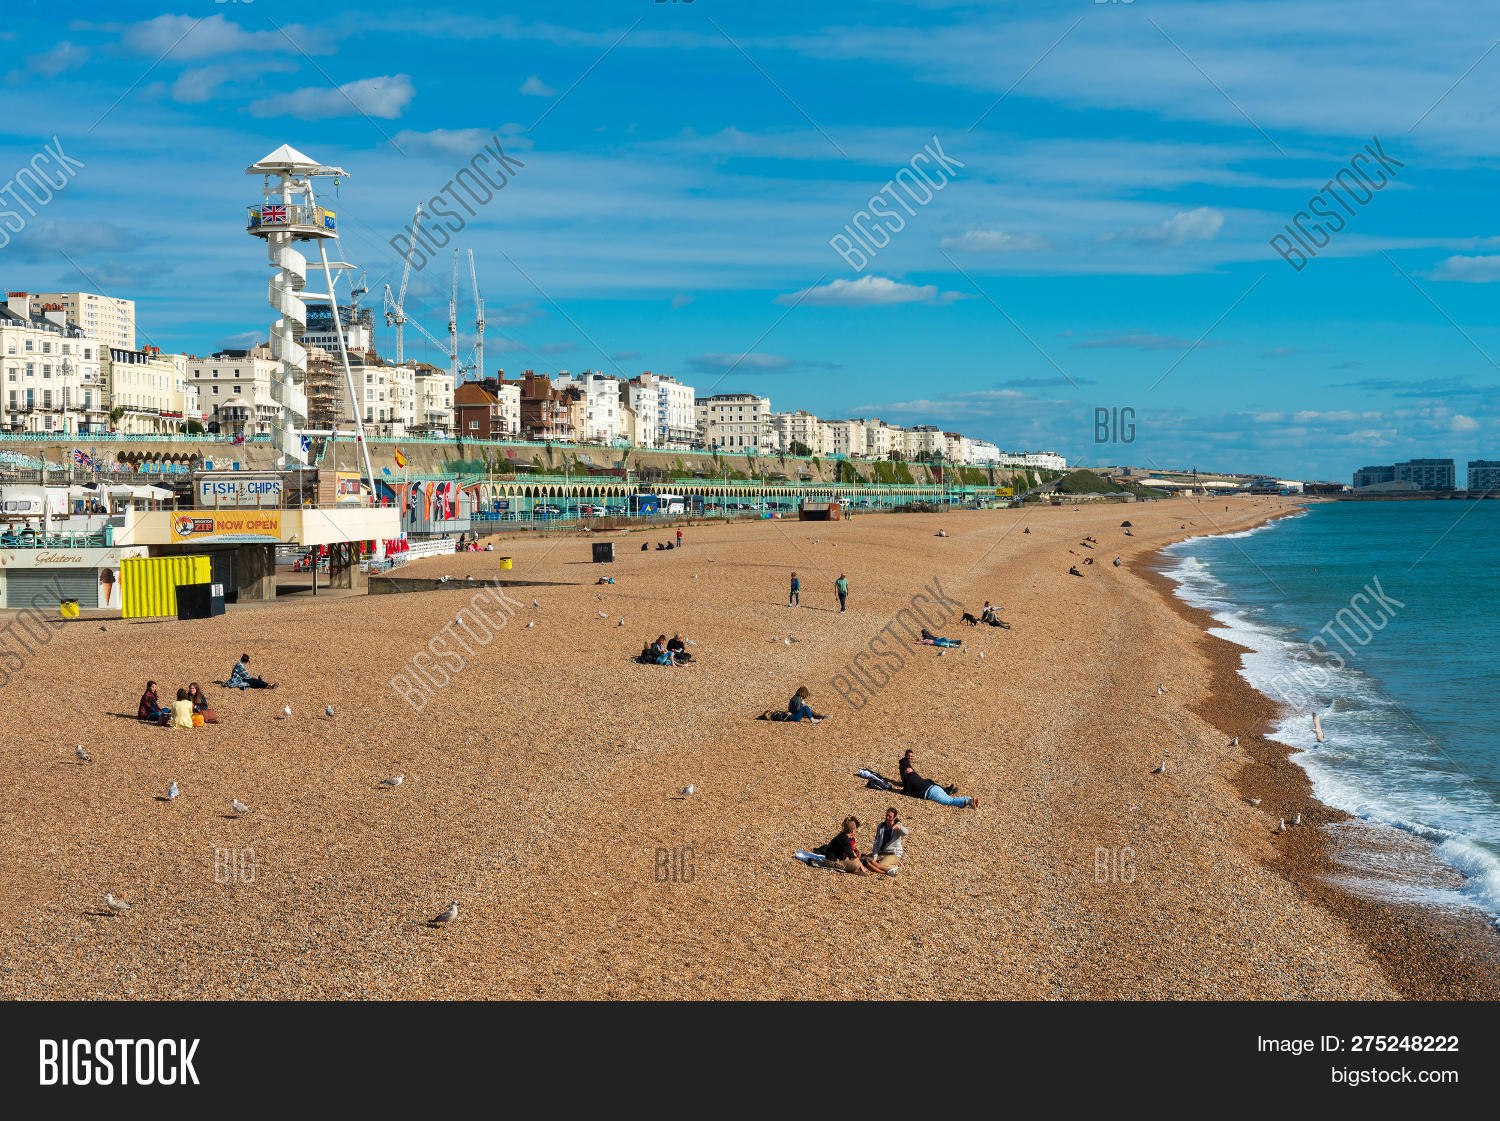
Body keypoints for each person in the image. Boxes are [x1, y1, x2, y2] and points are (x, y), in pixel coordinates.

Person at [898, 749, 979, 809]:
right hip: (935, 788)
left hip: (931, 793)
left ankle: (968, 800)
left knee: (949, 801)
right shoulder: (913, 774)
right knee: (950, 799)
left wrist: (903, 791)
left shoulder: (909, 778)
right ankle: (971, 801)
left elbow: (908, 791)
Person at [862, 808, 909, 876]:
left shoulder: (898, 826)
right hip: (881, 853)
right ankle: (890, 866)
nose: (887, 817)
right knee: (865, 860)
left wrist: (899, 827)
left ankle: (896, 866)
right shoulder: (881, 827)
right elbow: (876, 842)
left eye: (890, 816)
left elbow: (906, 832)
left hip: (893, 854)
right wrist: (875, 856)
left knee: (880, 865)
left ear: (894, 818)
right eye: (887, 815)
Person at [760, 685, 826, 723]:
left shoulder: (794, 698)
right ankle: (813, 720)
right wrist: (802, 704)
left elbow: (791, 708)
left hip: (791, 716)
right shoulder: (798, 699)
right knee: (806, 707)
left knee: (806, 708)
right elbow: (798, 709)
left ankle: (816, 717)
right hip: (794, 718)